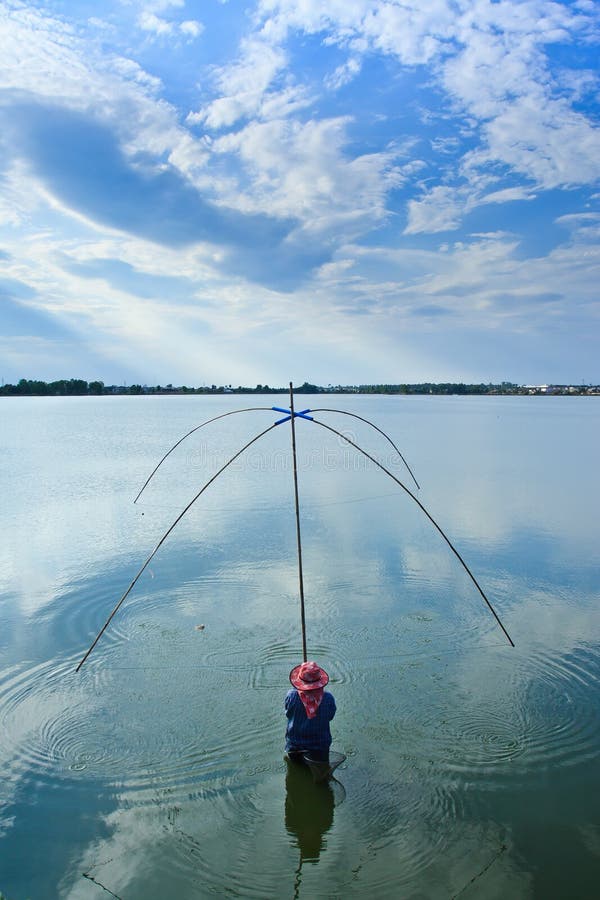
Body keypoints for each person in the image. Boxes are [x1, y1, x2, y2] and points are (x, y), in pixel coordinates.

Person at [284, 660, 336, 764]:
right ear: (319, 681)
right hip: (320, 747)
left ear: (300, 682)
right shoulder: (328, 698)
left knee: (295, 773)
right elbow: (330, 716)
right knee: (321, 773)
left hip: (295, 746)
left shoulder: (291, 696)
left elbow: (288, 713)